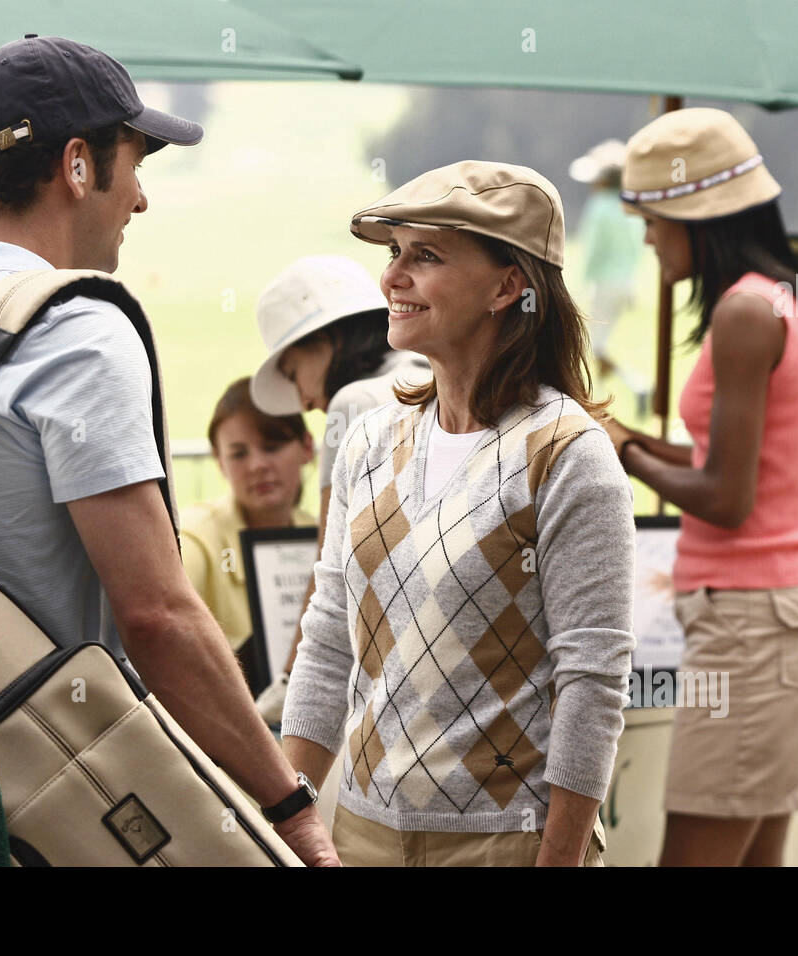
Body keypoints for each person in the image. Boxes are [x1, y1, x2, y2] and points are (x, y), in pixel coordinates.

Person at [0, 35, 337, 867]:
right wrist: (292, 811)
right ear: (76, 165)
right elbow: (158, 616)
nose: (139, 199)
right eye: (134, 161)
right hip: (36, 809)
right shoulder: (75, 325)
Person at [281, 161, 636, 866]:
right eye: (393, 253)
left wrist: (557, 860)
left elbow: (591, 685)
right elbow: (326, 644)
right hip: (358, 835)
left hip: (506, 844)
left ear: (509, 287)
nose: (392, 278)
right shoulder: (370, 441)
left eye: (428, 255)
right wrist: (281, 817)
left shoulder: (568, 456)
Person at [606, 108, 798, 866]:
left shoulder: (743, 313)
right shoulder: (785, 301)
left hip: (754, 633)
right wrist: (638, 441)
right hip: (782, 624)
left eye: (653, 220)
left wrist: (627, 458)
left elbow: (728, 497)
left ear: (695, 215)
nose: (648, 238)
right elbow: (742, 460)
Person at [248, 255, 431, 723]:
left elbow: (331, 568)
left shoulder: (355, 403)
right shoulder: (439, 373)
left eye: (293, 373)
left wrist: (287, 685)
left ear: (326, 341)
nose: (305, 399)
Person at [180, 376, 317, 657]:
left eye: (271, 447)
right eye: (238, 454)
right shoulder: (193, 536)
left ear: (306, 447)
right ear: (220, 462)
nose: (257, 465)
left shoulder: (323, 536)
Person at [569, 139, 651, 414]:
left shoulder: (600, 207)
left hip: (604, 283)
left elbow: (591, 248)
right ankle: (602, 395)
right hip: (625, 282)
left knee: (595, 346)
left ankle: (635, 385)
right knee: (599, 344)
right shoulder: (630, 207)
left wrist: (581, 285)